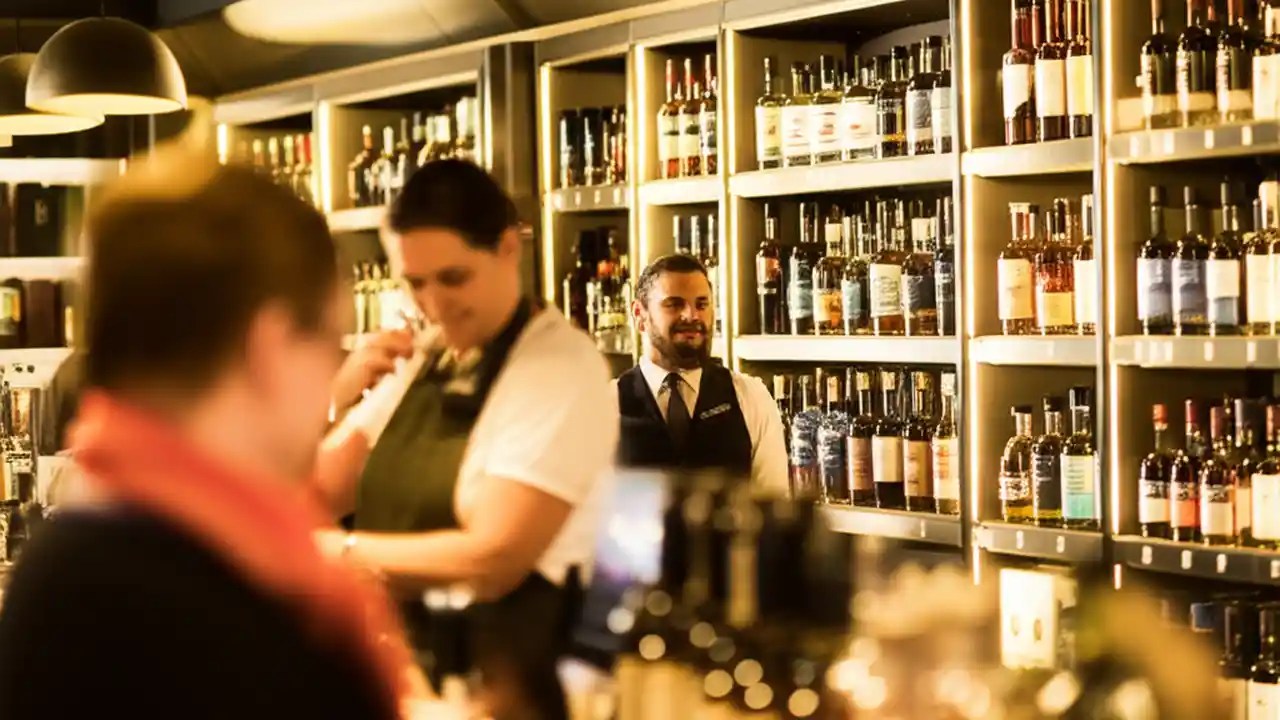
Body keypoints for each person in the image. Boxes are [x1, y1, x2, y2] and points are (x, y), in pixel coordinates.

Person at [0, 156, 417, 719]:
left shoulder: (76, 554)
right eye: (328, 342)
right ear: (268, 347)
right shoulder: (247, 607)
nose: (330, 374)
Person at [316, 159, 618, 720]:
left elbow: (493, 556)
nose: (434, 304)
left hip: (505, 696)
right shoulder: (426, 358)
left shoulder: (560, 368)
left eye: (453, 278)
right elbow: (316, 490)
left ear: (508, 247)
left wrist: (339, 554)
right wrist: (332, 397)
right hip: (406, 683)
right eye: (416, 283)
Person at [616, 253, 787, 489]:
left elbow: (775, 508)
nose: (692, 315)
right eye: (674, 304)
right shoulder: (604, 406)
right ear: (639, 315)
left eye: (701, 304)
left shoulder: (750, 397)